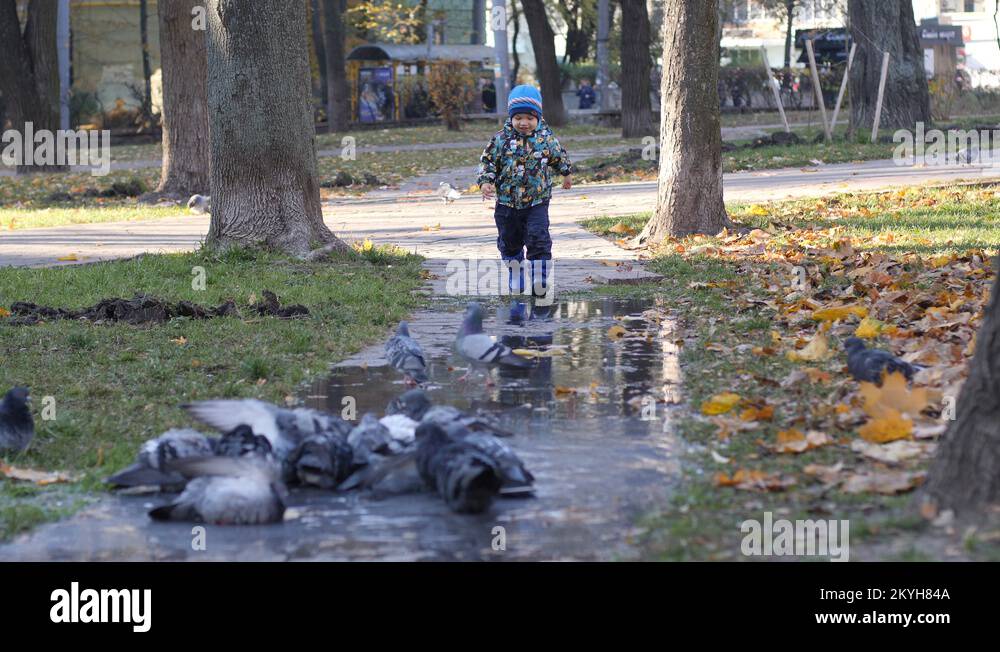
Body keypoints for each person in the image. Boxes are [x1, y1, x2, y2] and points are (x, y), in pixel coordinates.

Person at [477, 85, 572, 305]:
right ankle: (516, 273)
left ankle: (540, 278)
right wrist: (485, 182)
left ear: (537, 117)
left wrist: (566, 174)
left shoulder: (546, 139)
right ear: (511, 117)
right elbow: (487, 162)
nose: (523, 122)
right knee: (509, 241)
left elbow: (559, 157)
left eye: (529, 117)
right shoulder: (499, 140)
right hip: (507, 203)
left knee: (539, 238)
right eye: (518, 117)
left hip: (537, 201)